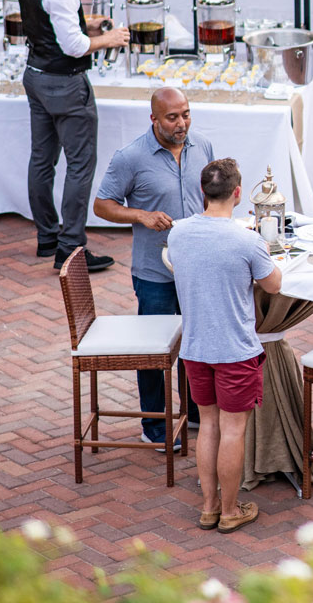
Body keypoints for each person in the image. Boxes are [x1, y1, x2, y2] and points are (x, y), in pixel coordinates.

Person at [93, 87, 215, 447]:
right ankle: (155, 426)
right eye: (172, 117)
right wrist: (141, 216)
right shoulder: (130, 157)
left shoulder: (203, 146)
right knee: (156, 350)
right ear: (154, 119)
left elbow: (209, 196)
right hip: (154, 273)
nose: (182, 124)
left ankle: (194, 412)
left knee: (196, 343)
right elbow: (102, 205)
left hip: (196, 268)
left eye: (186, 114)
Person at [167, 158, 281, 534]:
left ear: (203, 192)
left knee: (209, 426)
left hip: (195, 349)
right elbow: (274, 285)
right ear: (237, 193)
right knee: (232, 430)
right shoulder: (247, 240)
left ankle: (209, 506)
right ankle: (231, 510)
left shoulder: (179, 233)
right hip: (235, 350)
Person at [22, 0, 129, 271]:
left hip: (35, 76)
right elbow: (74, 46)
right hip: (65, 85)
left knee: (42, 159)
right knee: (80, 165)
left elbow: (52, 23)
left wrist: (89, 21)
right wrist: (109, 38)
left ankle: (47, 238)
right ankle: (70, 249)